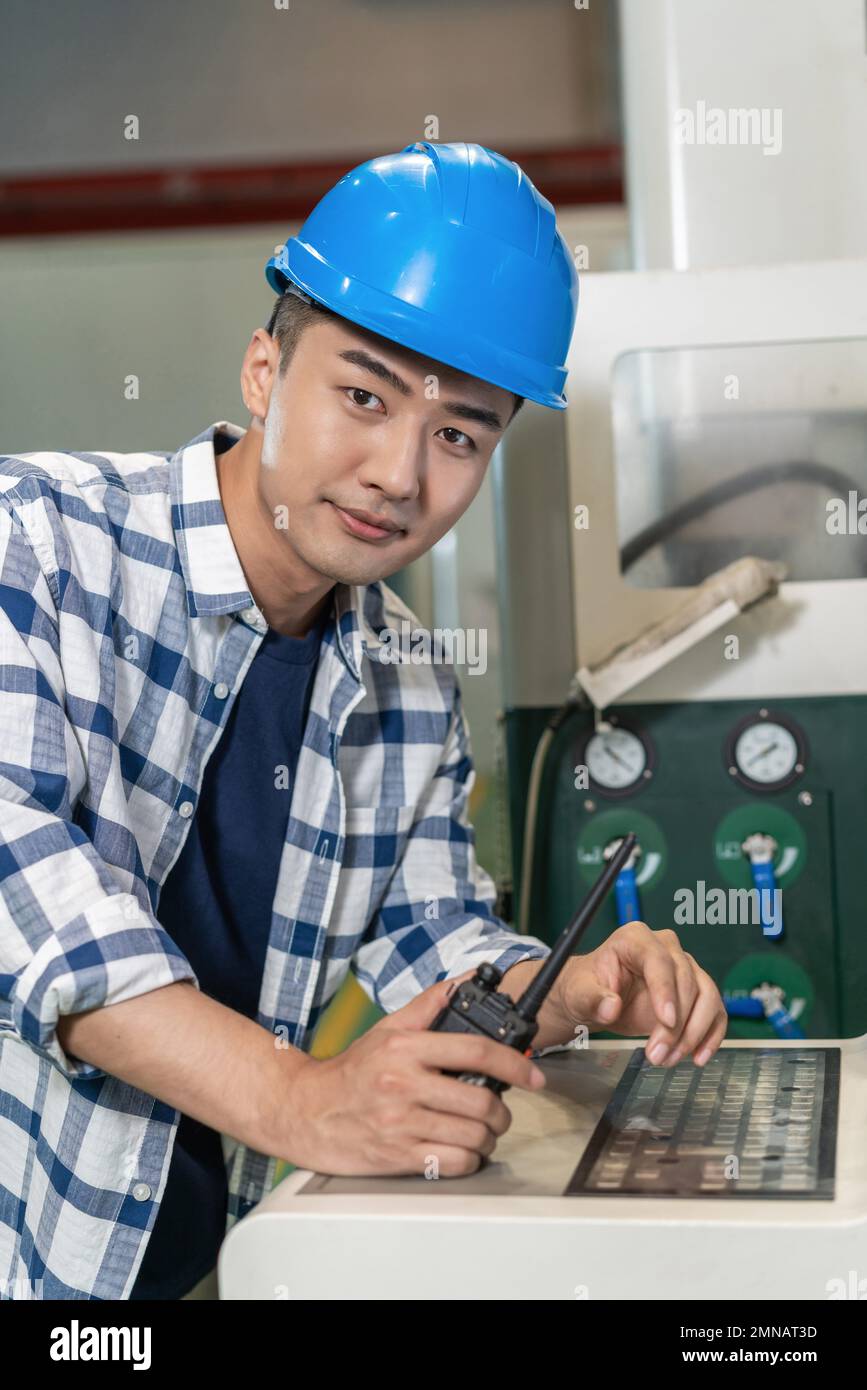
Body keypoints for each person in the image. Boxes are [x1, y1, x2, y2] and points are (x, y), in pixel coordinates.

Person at [0, 141, 727, 1301]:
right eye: (362, 396)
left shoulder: (411, 685)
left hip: (199, 1266)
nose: (398, 474)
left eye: (460, 435)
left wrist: (575, 989)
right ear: (260, 372)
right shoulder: (31, 546)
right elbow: (27, 899)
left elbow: (435, 948)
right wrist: (305, 1098)